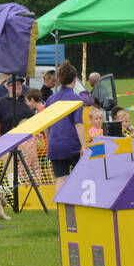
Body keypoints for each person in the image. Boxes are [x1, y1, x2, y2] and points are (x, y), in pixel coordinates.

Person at [45, 60, 88, 194]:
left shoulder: (51, 99)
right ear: (75, 79)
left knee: (60, 178)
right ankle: (76, 205)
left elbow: (46, 124)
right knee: (78, 177)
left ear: (59, 79)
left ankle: (61, 209)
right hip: (72, 144)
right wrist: (83, 146)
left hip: (55, 144)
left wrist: (49, 140)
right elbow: (78, 124)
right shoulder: (76, 99)